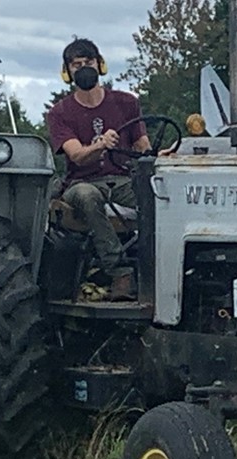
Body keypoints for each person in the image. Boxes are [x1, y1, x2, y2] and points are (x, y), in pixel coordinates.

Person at [46, 38, 155, 301]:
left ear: (101, 65)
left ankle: (156, 264)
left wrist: (159, 156)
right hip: (82, 182)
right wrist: (100, 145)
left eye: (89, 62)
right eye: (77, 64)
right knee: (87, 196)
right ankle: (119, 271)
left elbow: (142, 144)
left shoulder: (127, 103)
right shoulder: (60, 113)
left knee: (156, 194)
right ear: (67, 72)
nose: (84, 68)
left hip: (122, 178)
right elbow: (76, 156)